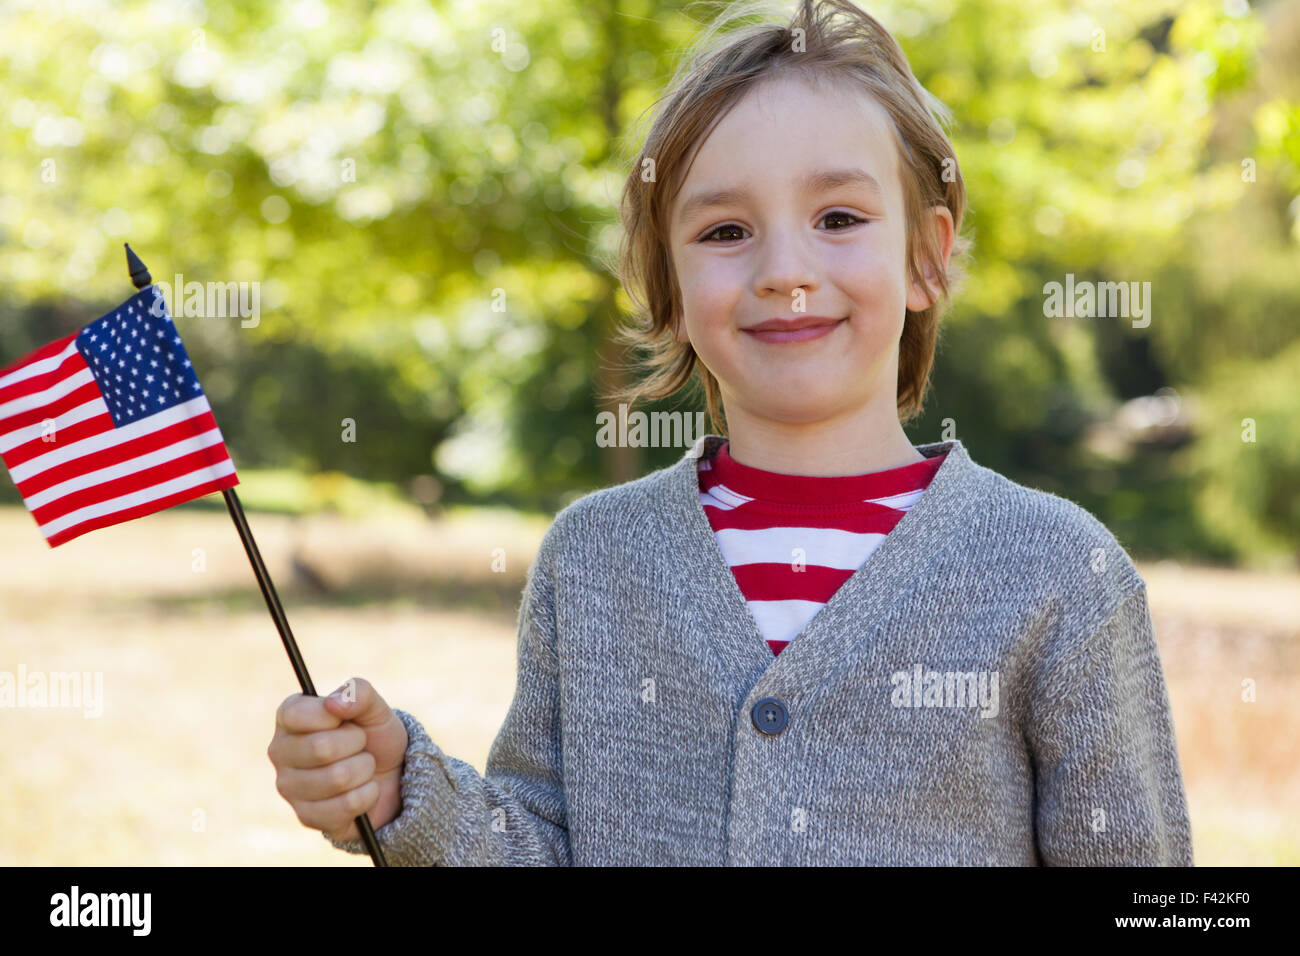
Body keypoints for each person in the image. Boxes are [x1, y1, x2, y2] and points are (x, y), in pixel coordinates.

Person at [268, 0, 1192, 865]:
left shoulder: (1060, 573)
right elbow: (540, 844)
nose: (785, 270)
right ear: (667, 289)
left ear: (926, 256)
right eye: (723, 231)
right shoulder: (592, 562)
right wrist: (401, 795)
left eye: (838, 218)